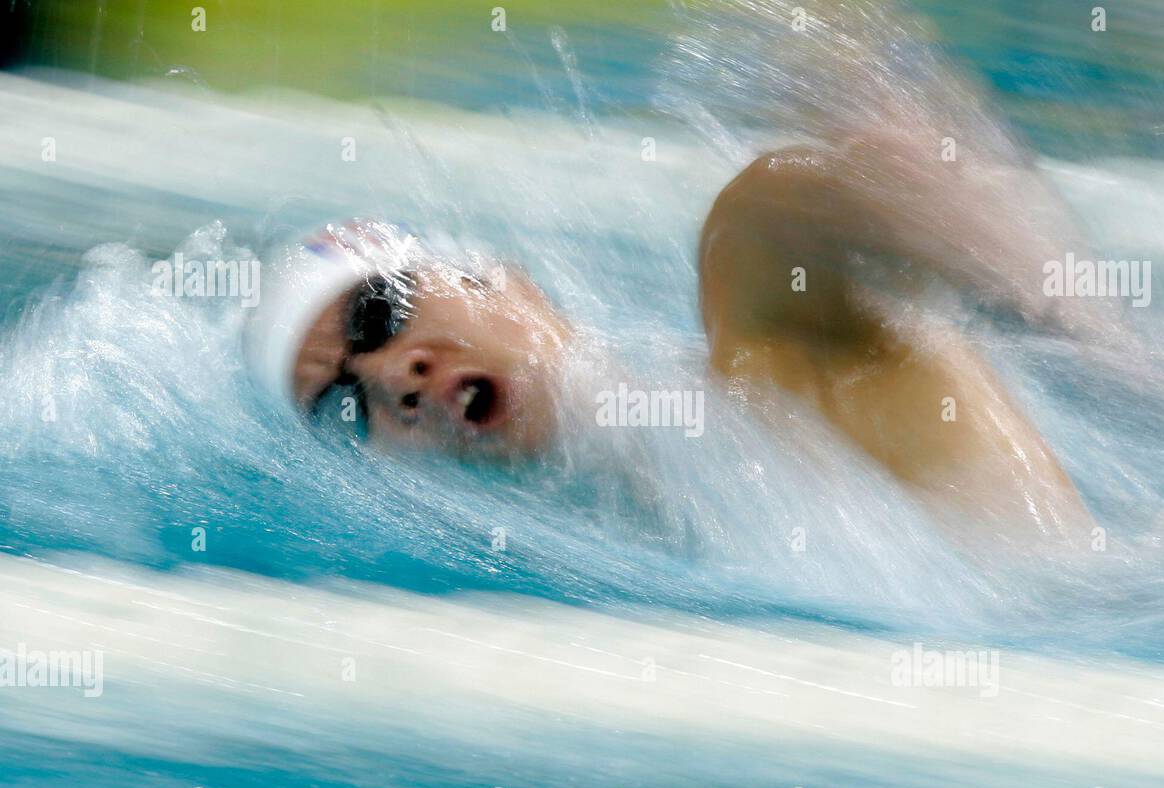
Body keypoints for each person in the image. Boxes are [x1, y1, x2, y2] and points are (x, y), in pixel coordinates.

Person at [245, 126, 1106, 538]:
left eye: (380, 312)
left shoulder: (773, 356)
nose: (394, 373)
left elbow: (794, 201)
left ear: (506, 280)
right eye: (344, 408)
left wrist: (1099, 345)